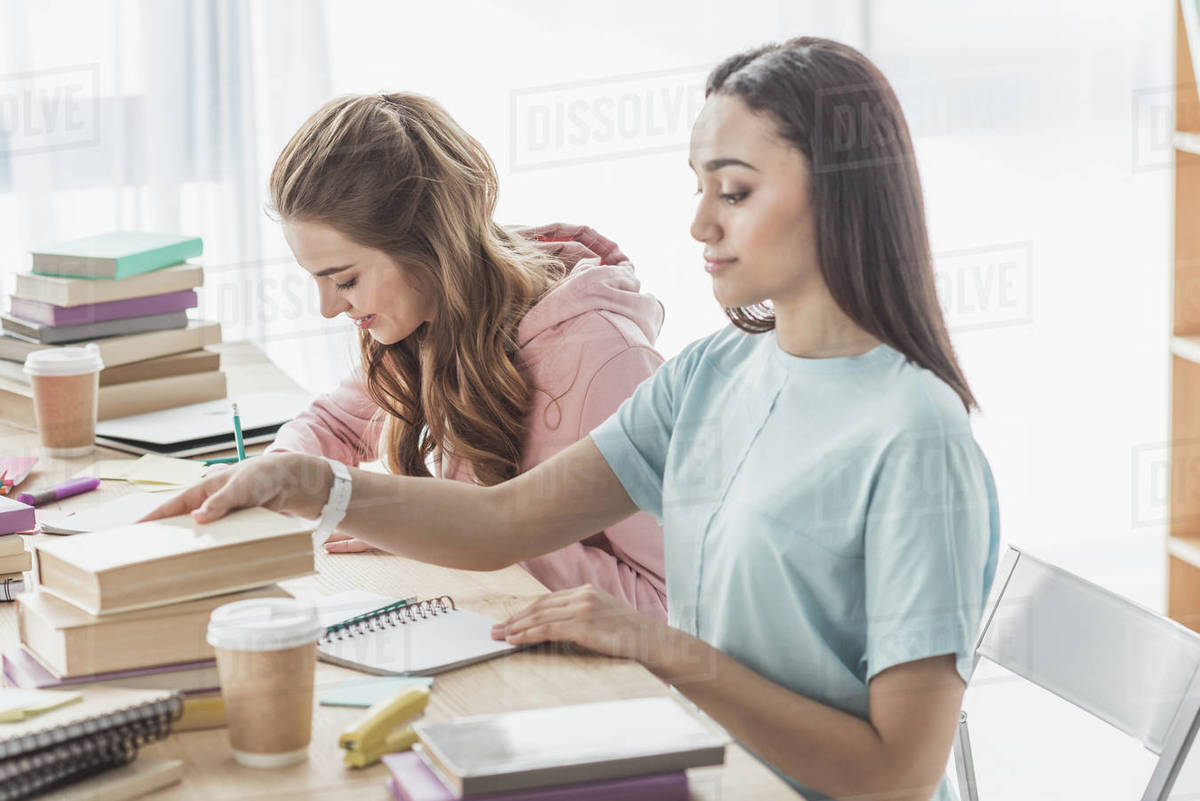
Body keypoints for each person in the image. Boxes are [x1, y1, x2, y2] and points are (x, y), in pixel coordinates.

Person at [148, 38, 998, 801]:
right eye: (698, 188)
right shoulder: (714, 373)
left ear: (840, 195)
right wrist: (310, 482)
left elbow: (898, 775)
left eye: (733, 191)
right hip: (694, 763)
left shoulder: (915, 437)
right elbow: (505, 519)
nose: (699, 223)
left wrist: (664, 649)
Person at [258, 92, 668, 618]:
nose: (327, 308)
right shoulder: (423, 318)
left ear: (427, 247)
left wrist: (446, 530)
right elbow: (335, 424)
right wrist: (269, 481)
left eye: (345, 279)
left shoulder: (608, 361)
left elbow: (668, 603)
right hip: (494, 624)